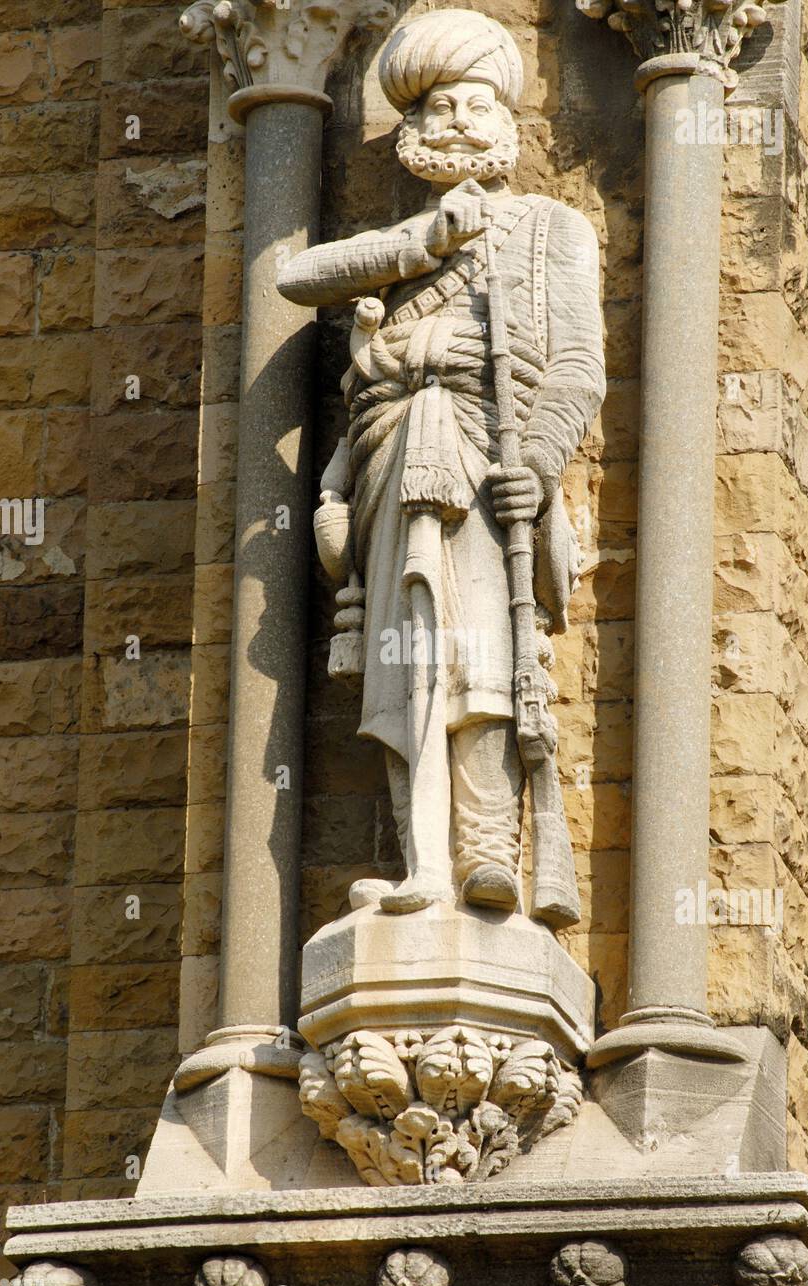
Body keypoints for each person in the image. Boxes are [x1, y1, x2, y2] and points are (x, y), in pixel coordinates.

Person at [278, 9, 605, 918]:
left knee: (488, 655)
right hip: (394, 464)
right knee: (408, 658)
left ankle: (492, 847)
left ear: (506, 126)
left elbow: (579, 365)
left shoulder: (550, 229)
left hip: (488, 467)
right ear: (414, 134)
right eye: (442, 108)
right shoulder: (398, 249)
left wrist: (535, 467)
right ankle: (425, 863)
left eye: (477, 106)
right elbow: (295, 280)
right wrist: (426, 245)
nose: (460, 121)